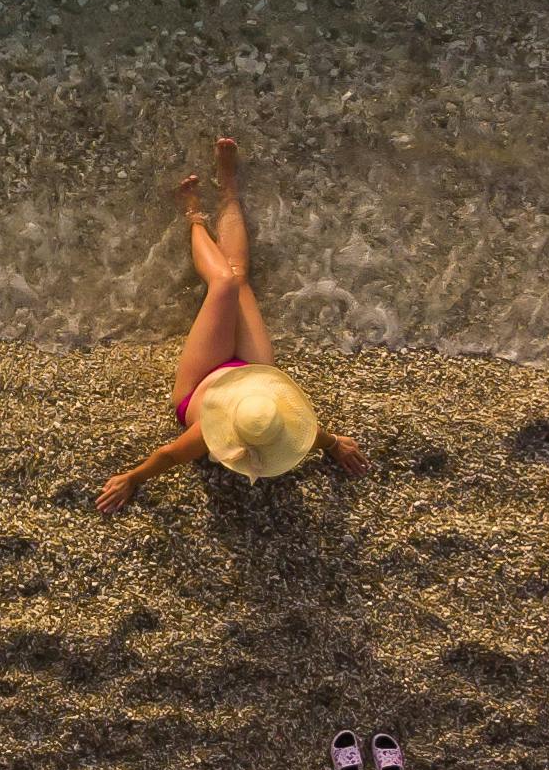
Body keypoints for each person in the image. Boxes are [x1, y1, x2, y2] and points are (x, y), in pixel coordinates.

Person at [97, 136, 370, 512]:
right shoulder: (274, 418)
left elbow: (167, 456)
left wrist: (130, 479)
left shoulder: (211, 436)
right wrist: (336, 444)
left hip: (200, 385)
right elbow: (312, 434)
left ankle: (193, 215)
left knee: (222, 283)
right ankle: (228, 189)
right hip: (254, 373)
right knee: (237, 277)